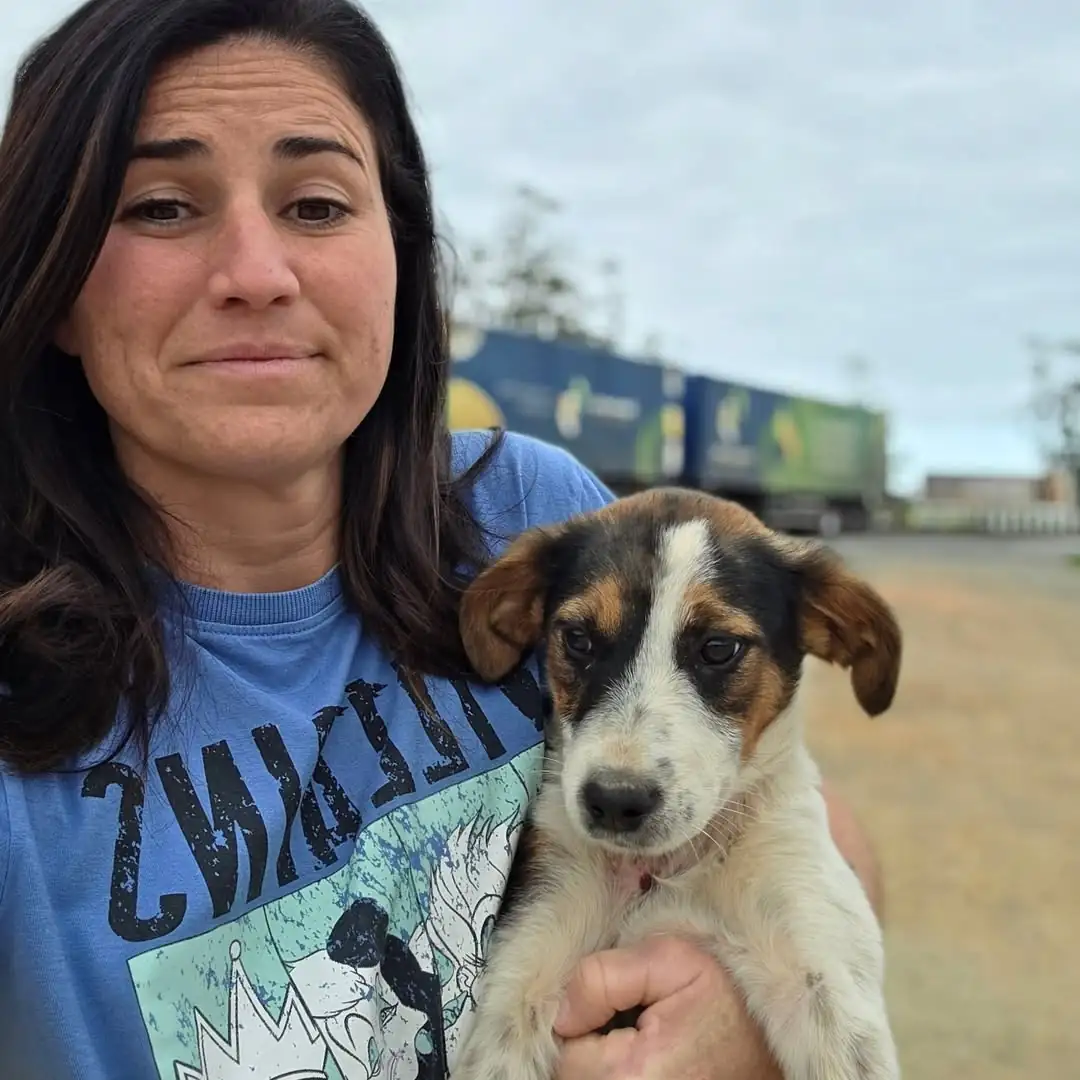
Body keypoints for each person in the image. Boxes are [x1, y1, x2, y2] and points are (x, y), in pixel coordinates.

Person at [0, 0, 884, 1077]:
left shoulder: (532, 515)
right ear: (51, 278)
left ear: (401, 255)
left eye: (317, 204)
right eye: (161, 205)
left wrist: (740, 1023)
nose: (256, 271)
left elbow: (803, 834)